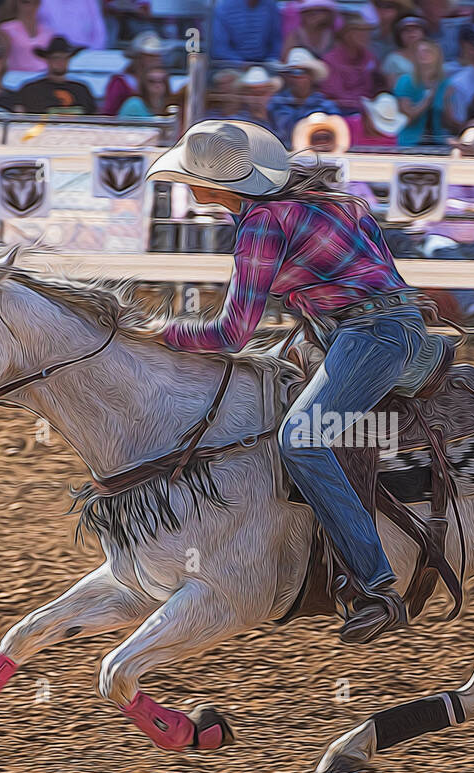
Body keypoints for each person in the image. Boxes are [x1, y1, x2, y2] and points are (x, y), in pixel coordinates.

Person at [144, 119, 452, 645]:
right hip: (380, 327)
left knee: (301, 438)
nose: (186, 183)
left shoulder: (260, 224)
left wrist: (162, 334)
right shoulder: (332, 202)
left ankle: (375, 582)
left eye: (190, 175)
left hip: (366, 334)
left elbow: (233, 331)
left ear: (213, 185)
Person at [268, 46, 340, 146]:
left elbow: (337, 133)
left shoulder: (325, 106)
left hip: (316, 155)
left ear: (311, 76)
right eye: (290, 72)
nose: (294, 77)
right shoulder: (276, 103)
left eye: (299, 72)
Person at [17, 35, 96, 113]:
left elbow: (94, 118)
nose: (61, 62)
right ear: (47, 60)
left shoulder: (81, 90)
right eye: (56, 58)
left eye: (65, 58)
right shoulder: (31, 90)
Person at [321, 12, 381, 115]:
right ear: (346, 35)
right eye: (359, 32)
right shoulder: (330, 60)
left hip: (368, 112)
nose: (365, 36)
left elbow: (374, 89)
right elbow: (336, 95)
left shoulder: (370, 57)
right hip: (338, 113)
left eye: (366, 32)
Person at [394, 37, 448, 146]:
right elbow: (408, 117)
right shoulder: (405, 81)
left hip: (438, 142)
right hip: (410, 142)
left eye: (427, 51)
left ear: (437, 56)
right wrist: (427, 99)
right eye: (419, 52)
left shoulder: (444, 83)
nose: (423, 55)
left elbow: (447, 118)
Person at [211, 0, 281, 64]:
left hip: (264, 66)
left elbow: (276, 41)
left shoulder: (271, 5)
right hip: (231, 66)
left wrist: (271, 61)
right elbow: (219, 49)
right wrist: (240, 63)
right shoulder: (223, 7)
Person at [0, 0, 53, 72]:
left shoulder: (48, 31)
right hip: (17, 78)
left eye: (35, 3)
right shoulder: (5, 30)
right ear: (17, 3)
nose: (31, 7)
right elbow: (1, 60)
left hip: (43, 77)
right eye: (25, 2)